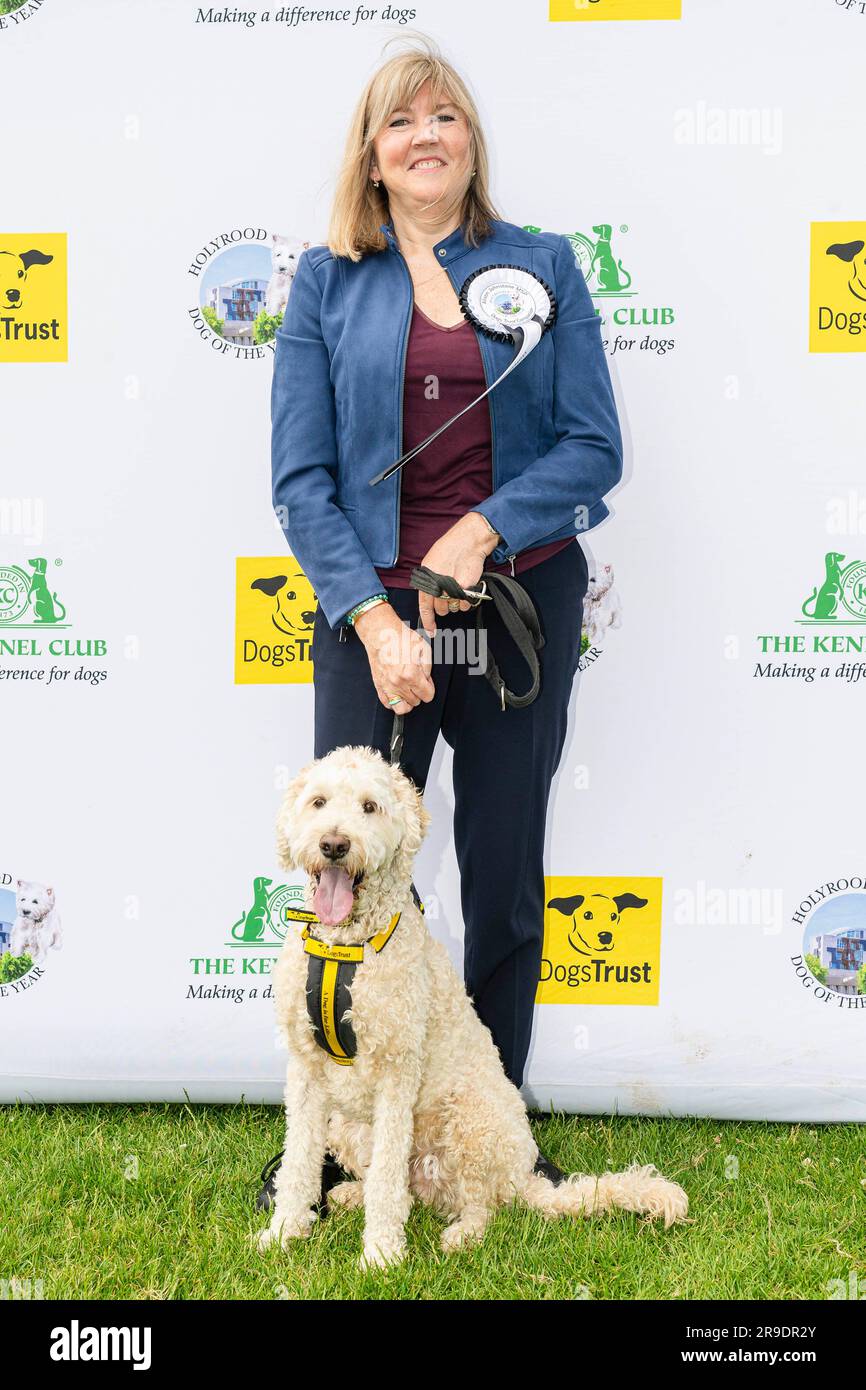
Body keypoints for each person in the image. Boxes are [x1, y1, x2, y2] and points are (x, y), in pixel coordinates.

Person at [258, 37, 623, 1212]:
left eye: (445, 117)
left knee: (505, 873)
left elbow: (591, 446)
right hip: (372, 619)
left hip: (513, 608)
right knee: (353, 883)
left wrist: (477, 532)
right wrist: (370, 615)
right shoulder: (325, 280)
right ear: (371, 156)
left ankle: (493, 1124)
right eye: (399, 121)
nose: (425, 135)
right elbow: (300, 478)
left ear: (471, 141)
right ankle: (337, 1144)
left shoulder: (543, 265)